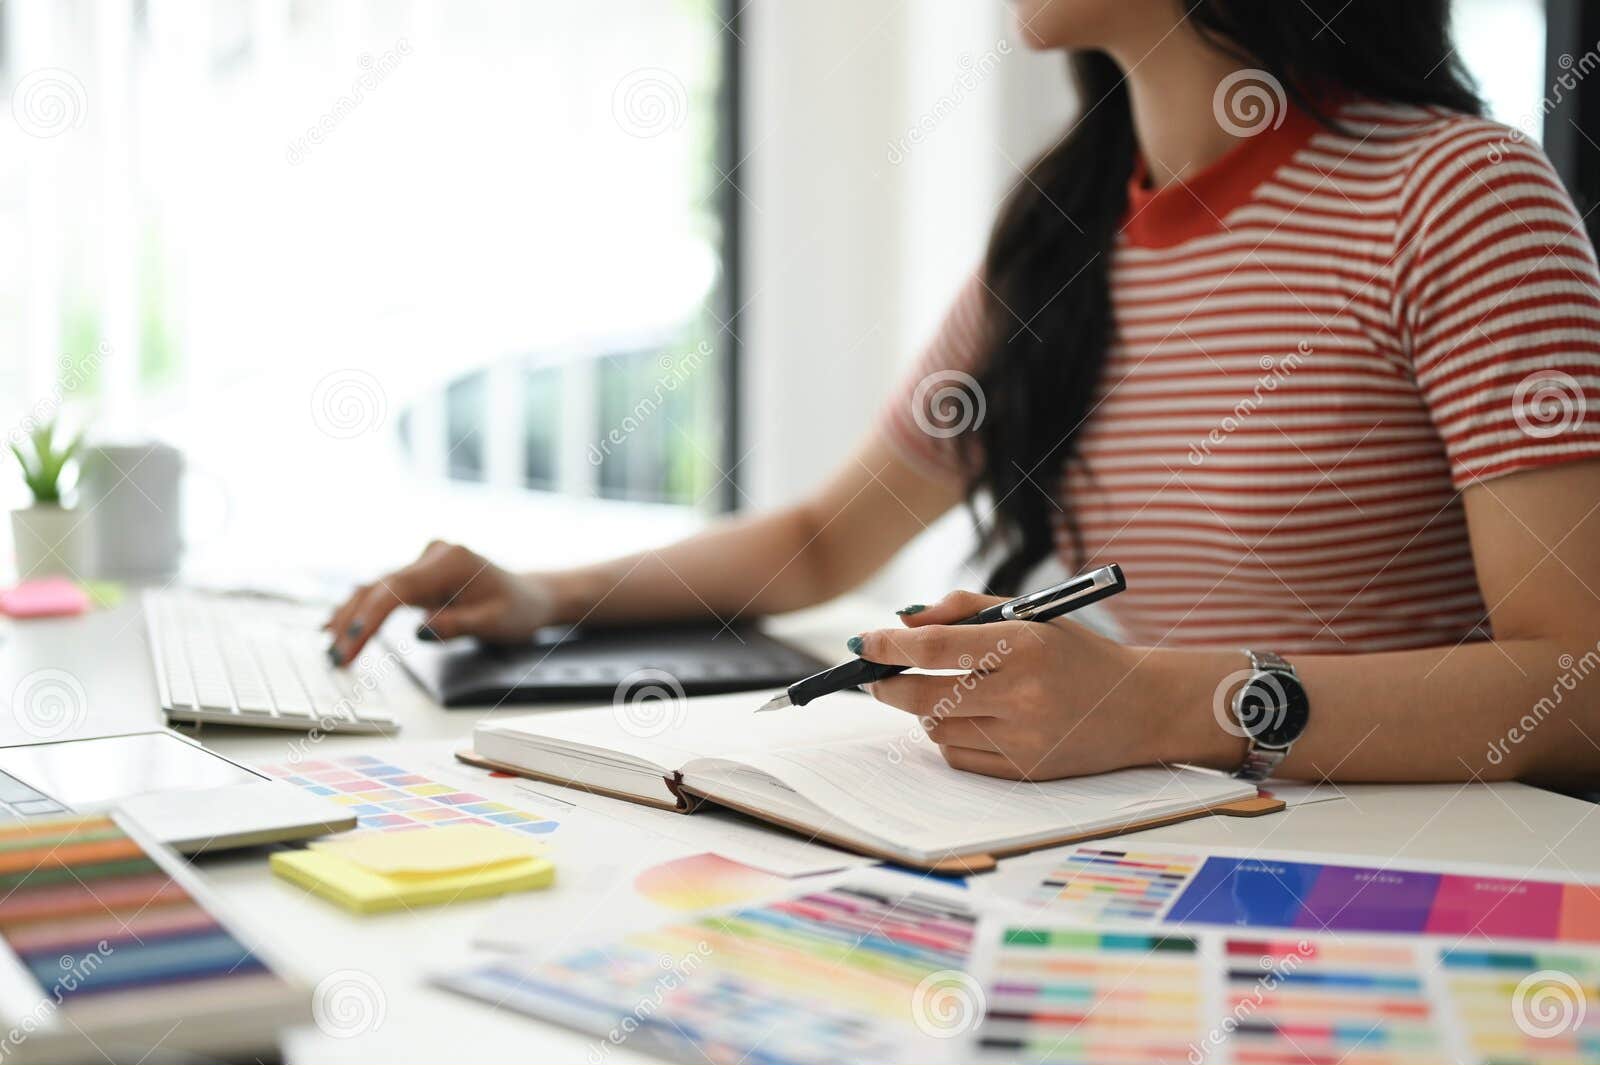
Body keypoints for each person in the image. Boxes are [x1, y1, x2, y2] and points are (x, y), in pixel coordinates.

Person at [329, 0, 1600, 790]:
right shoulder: (1059, 230)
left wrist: (1159, 699)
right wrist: (545, 594)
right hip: (1133, 848)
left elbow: (1578, 688)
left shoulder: (1458, 199)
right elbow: (827, 538)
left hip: (1397, 877)